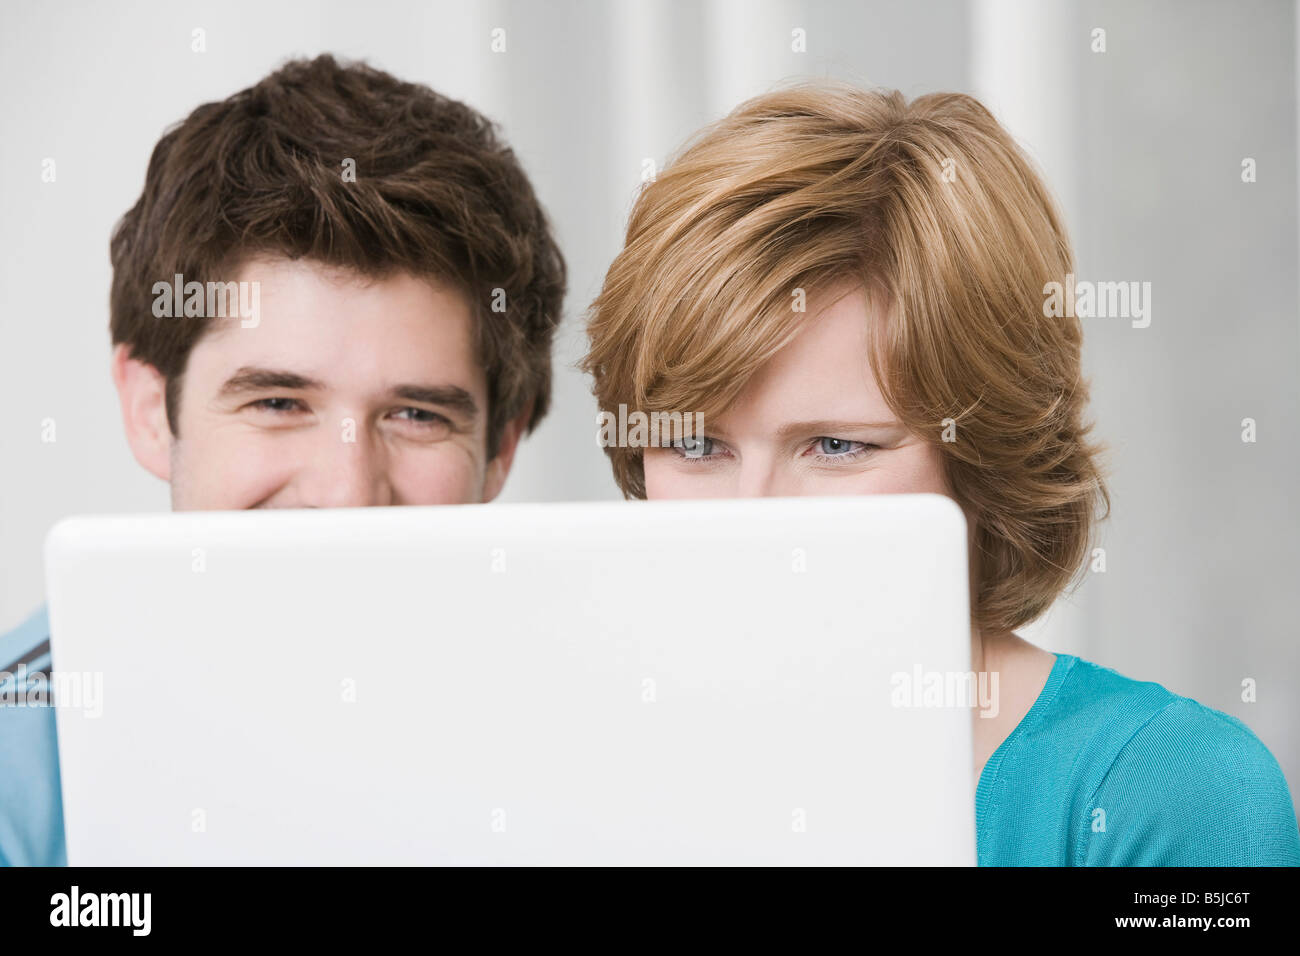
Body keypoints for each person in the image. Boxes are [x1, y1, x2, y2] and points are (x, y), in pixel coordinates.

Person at [581, 81, 1300, 865]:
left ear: (979, 460)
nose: (751, 518)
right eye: (696, 446)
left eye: (836, 446)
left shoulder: (1168, 796)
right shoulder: (573, 777)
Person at [0, 54, 566, 866]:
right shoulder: (18, 761)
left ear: (501, 449)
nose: (345, 497)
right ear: (149, 412)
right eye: (277, 403)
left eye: (416, 415)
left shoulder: (591, 736)